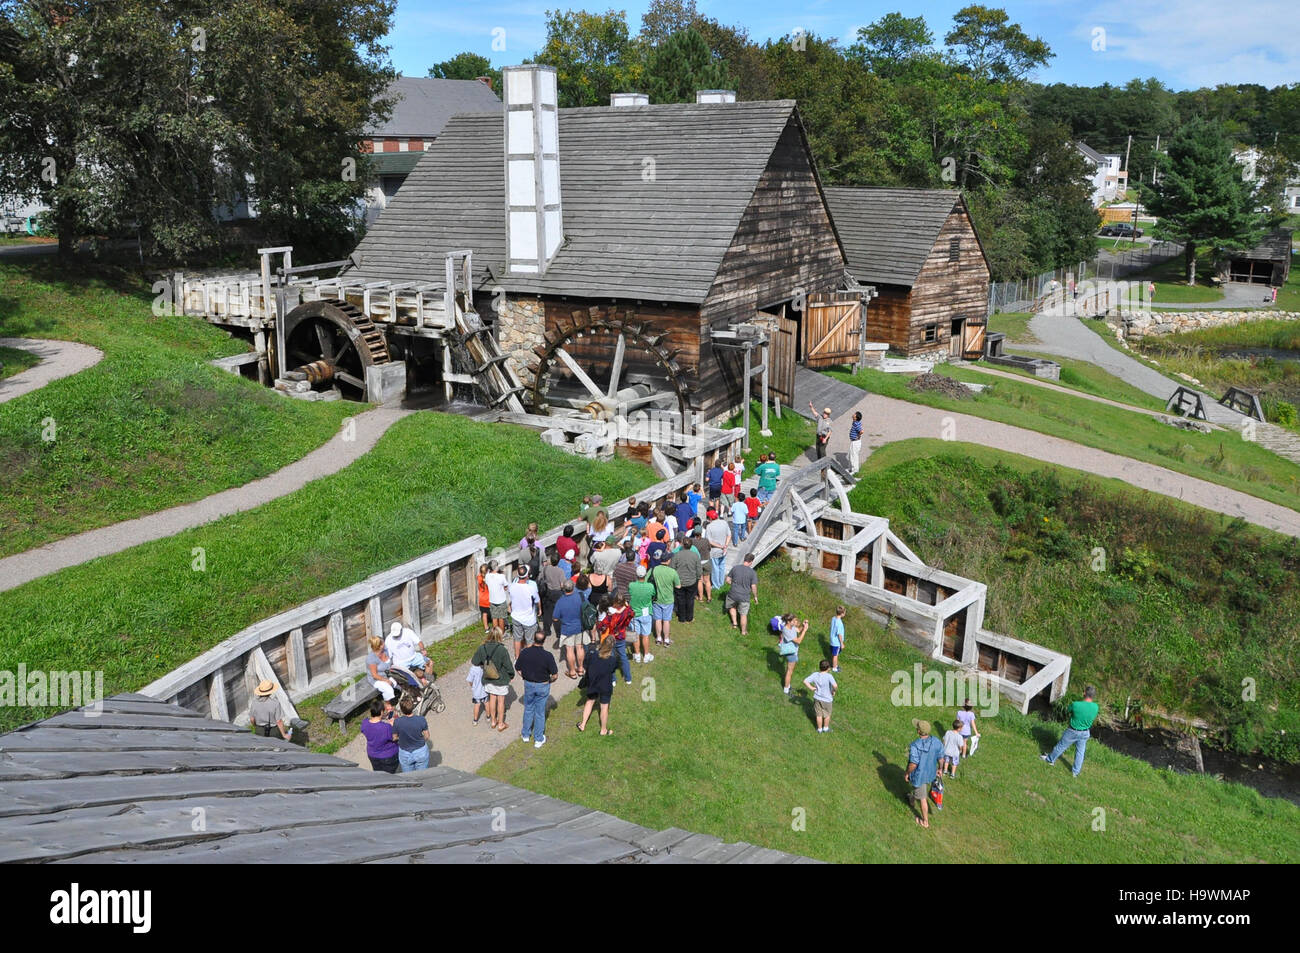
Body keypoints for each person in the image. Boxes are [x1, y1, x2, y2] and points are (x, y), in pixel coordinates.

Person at [1041, 686, 1099, 777]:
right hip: (1085, 732)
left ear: (1084, 693)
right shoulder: (1096, 707)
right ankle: (1075, 772)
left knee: (1061, 746)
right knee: (1080, 752)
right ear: (1093, 696)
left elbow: (1068, 710)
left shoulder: (1076, 704)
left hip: (1073, 731)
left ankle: (1050, 760)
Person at [515, 629, 558, 748]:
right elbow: (555, 675)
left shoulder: (525, 652)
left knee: (528, 708)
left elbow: (517, 668)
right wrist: (549, 681)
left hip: (529, 684)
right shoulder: (548, 656)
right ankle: (538, 738)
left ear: (534, 639)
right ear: (544, 641)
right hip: (543, 685)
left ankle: (525, 734)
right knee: (539, 712)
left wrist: (524, 676)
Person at [471, 630, 516, 733]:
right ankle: (500, 724)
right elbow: (508, 666)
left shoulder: (482, 648)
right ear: (499, 636)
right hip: (501, 679)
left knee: (492, 698)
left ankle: (493, 721)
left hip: (488, 678)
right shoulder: (502, 649)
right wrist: (511, 675)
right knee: (501, 701)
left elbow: (474, 661)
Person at [905, 719, 944, 829]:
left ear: (918, 731)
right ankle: (912, 799)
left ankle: (925, 821)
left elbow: (913, 764)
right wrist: (940, 769)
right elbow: (941, 758)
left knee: (922, 798)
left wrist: (907, 773)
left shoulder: (915, 746)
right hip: (930, 772)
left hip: (919, 775)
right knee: (917, 788)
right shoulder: (936, 741)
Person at [577, 636, 618, 735]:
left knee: (590, 701)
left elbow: (586, 665)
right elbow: (612, 670)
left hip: (593, 683)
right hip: (605, 685)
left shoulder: (592, 655)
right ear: (612, 648)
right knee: (604, 707)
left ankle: (582, 725)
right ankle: (603, 730)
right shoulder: (612, 660)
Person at [599, 593, 635, 686]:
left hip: (611, 638)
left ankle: (613, 680)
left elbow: (603, 624)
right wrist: (627, 606)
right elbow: (632, 613)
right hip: (621, 637)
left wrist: (600, 626)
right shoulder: (627, 611)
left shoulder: (611, 613)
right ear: (624, 602)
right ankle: (628, 678)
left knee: (611, 657)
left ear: (614, 602)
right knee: (623, 657)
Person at [553, 579, 585, 679]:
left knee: (570, 650)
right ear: (573, 587)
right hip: (580, 626)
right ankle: (580, 669)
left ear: (564, 589)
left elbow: (555, 617)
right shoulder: (580, 596)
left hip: (567, 628)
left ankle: (572, 672)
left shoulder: (560, 601)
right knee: (579, 648)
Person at [507, 565, 541, 659]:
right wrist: (540, 610)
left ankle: (517, 658)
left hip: (516, 617)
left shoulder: (512, 586)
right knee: (530, 640)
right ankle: (529, 659)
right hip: (529, 618)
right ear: (527, 576)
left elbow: (510, 599)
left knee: (517, 639)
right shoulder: (531, 588)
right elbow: (537, 601)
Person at [359, 698, 399, 773]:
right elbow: (395, 738)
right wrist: (393, 726)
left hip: (372, 754)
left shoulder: (365, 723)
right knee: (389, 776)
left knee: (379, 773)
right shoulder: (386, 727)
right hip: (388, 756)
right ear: (381, 712)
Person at [647, 556, 680, 647]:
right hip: (668, 600)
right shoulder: (673, 572)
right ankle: (666, 639)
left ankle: (658, 638)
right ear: (668, 561)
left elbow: (646, 580)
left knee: (657, 619)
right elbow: (678, 586)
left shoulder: (653, 569)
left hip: (656, 599)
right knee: (666, 620)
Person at [627, 564, 656, 664]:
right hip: (646, 613)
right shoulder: (650, 586)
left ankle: (638, 655)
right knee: (645, 635)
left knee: (635, 635)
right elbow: (653, 595)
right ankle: (646, 655)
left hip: (634, 614)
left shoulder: (631, 585)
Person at [394, 696, 431, 772]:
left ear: (401, 709)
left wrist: (401, 738)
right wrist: (419, 740)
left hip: (405, 753)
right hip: (420, 751)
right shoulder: (421, 719)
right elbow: (427, 736)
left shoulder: (397, 722)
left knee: (409, 777)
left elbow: (394, 737)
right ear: (413, 707)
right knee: (422, 775)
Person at [670, 533, 701, 623]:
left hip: (679, 581)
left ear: (682, 544)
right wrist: (698, 577)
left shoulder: (677, 555)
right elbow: (699, 569)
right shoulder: (695, 555)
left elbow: (672, 568)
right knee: (690, 599)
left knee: (680, 599)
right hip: (692, 581)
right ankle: (689, 617)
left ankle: (681, 618)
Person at [726, 553, 759, 636]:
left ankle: (734, 624)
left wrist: (733, 585)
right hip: (744, 597)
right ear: (751, 562)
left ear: (744, 559)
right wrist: (755, 596)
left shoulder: (735, 568)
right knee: (743, 614)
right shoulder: (752, 572)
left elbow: (727, 580)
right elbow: (753, 586)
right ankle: (743, 632)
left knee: (732, 607)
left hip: (733, 593)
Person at [803, 660, 838, 733]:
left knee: (818, 715)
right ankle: (825, 728)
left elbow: (805, 681)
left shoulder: (815, 674)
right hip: (827, 699)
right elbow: (835, 685)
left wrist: (811, 688)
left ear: (820, 667)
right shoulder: (829, 676)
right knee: (827, 715)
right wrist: (833, 691)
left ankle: (819, 729)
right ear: (828, 668)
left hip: (817, 697)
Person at [778, 615, 808, 694]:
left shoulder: (792, 627)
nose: (796, 622)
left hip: (793, 651)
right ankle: (786, 689)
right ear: (788, 622)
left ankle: (788, 685)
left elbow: (798, 630)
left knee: (790, 670)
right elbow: (798, 641)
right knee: (789, 671)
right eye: (794, 621)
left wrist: (803, 625)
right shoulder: (786, 630)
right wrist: (804, 631)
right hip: (791, 653)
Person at [364, 636, 397, 703]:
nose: (385, 643)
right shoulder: (371, 658)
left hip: (387, 674)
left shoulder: (385, 651)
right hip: (376, 679)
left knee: (399, 681)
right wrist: (386, 680)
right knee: (389, 689)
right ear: (380, 646)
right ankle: (388, 704)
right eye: (383, 642)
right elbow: (374, 675)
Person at [705, 509, 730, 591]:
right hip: (724, 550)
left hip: (714, 551)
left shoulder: (709, 527)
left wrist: (720, 546)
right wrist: (725, 545)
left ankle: (716, 586)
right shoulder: (724, 522)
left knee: (715, 568)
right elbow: (729, 535)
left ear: (710, 518)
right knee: (722, 566)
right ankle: (721, 583)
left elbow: (709, 541)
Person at [484, 560, 509, 637]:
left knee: (495, 618)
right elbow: (506, 587)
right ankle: (502, 634)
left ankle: (495, 634)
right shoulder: (501, 576)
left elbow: (487, 582)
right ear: (495, 567)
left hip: (492, 600)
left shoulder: (487, 576)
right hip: (501, 600)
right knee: (501, 618)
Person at [466, 657, 488, 726]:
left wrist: (472, 686)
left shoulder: (473, 669)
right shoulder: (485, 667)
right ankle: (488, 716)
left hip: (477, 692)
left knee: (477, 705)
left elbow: (470, 680)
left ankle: (475, 720)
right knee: (487, 703)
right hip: (485, 690)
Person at [694, 531, 713, 604]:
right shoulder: (706, 540)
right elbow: (709, 549)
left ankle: (701, 598)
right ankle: (709, 597)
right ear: (701, 533)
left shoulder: (693, 541)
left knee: (700, 581)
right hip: (706, 562)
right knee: (707, 580)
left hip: (698, 563)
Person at [829, 605, 846, 673]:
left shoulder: (833, 618)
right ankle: (834, 668)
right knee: (836, 655)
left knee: (834, 654)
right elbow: (839, 634)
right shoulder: (839, 623)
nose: (845, 614)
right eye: (844, 613)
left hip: (832, 639)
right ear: (842, 614)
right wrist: (841, 643)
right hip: (836, 642)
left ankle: (834, 664)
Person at [477, 563, 493, 634]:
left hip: (482, 599)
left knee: (484, 614)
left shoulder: (479, 577)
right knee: (493, 612)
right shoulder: (489, 578)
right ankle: (495, 625)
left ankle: (486, 628)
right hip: (488, 599)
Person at [848, 411, 864, 475]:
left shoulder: (856, 424)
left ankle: (854, 470)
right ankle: (851, 468)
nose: (853, 414)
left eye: (854, 414)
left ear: (856, 417)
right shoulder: (855, 422)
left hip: (855, 442)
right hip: (854, 442)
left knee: (853, 456)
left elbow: (862, 431)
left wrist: (858, 436)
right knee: (852, 455)